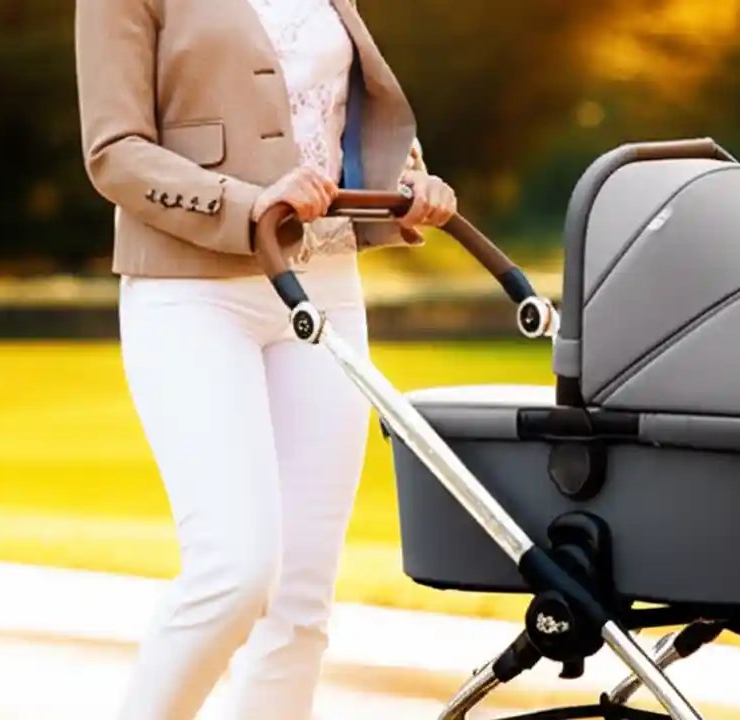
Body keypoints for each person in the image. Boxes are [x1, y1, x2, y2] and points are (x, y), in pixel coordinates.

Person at [73, 0, 456, 717]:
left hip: (328, 288)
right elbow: (113, 150)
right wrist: (247, 203)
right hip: (192, 296)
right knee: (235, 572)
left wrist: (405, 187)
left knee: (301, 601)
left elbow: (336, 110)